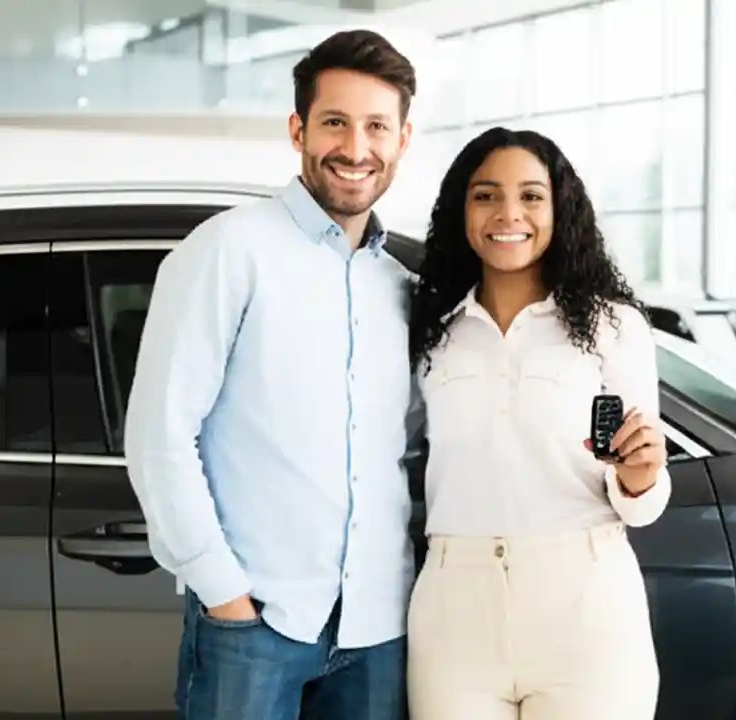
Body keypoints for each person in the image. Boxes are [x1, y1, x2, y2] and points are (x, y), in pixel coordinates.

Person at [123, 29, 418, 720]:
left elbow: (414, 448)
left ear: (403, 139)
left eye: (377, 126)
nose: (355, 147)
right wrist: (224, 593)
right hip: (254, 625)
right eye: (335, 122)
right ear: (298, 129)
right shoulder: (229, 251)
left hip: (377, 628)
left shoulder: (402, 288)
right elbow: (160, 436)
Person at [404, 127, 672, 720]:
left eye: (530, 196)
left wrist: (641, 476)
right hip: (454, 612)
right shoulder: (429, 327)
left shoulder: (614, 326)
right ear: (460, 210)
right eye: (486, 195)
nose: (508, 214)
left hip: (585, 604)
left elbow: (645, 503)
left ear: (559, 209)